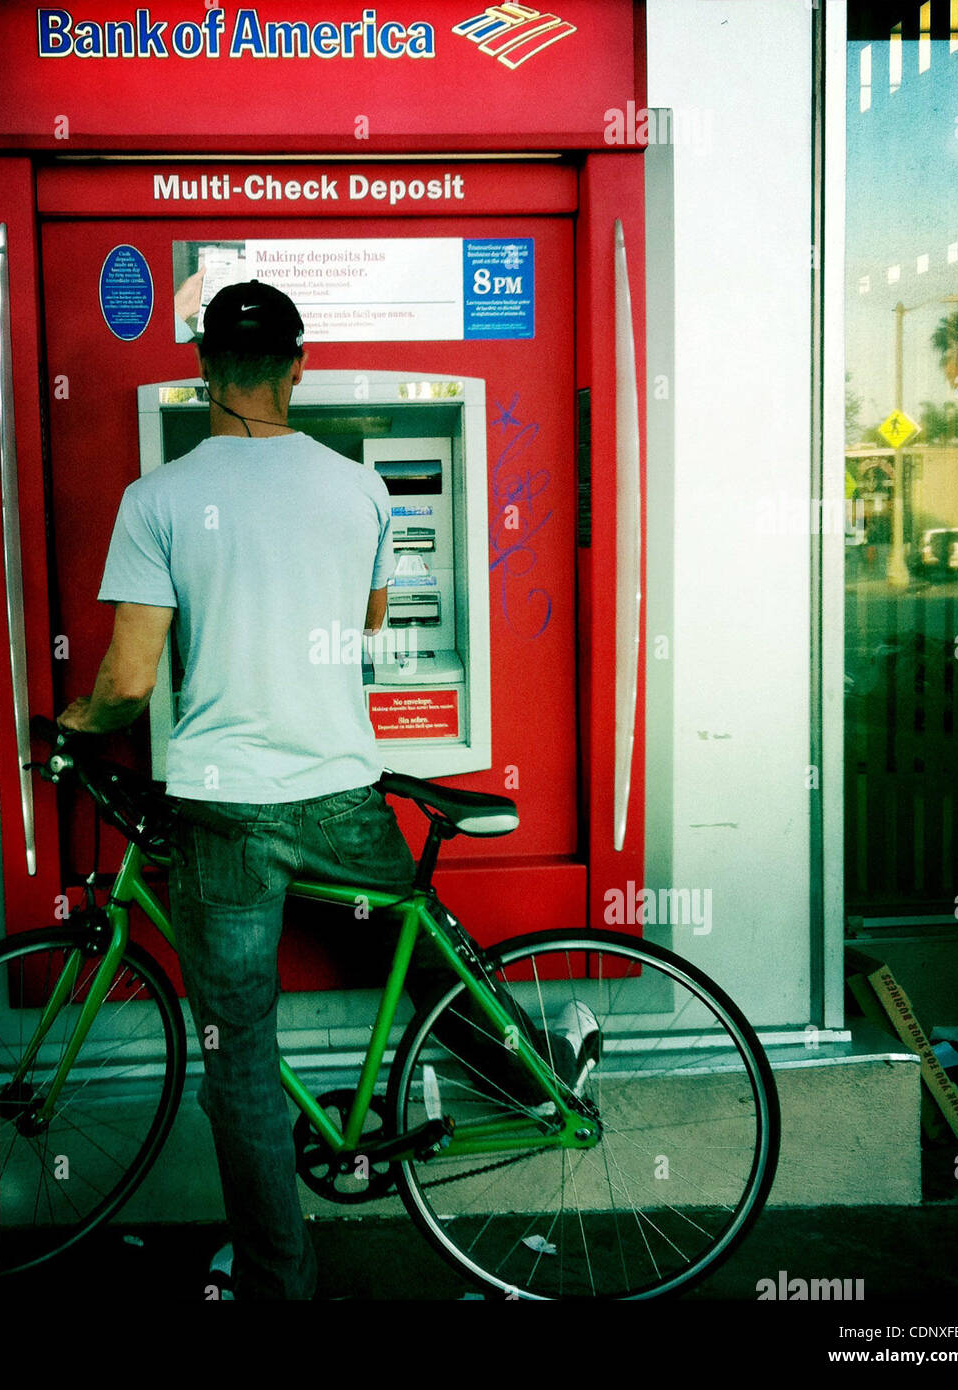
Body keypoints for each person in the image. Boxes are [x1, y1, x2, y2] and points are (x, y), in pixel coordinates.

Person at [57, 280, 591, 1300]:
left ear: (204, 369)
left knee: (241, 1060)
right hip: (343, 789)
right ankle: (532, 1079)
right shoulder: (361, 487)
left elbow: (127, 683)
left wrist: (75, 725)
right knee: (427, 960)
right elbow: (373, 623)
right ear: (297, 367)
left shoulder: (158, 498)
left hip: (224, 805)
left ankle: (279, 1284)